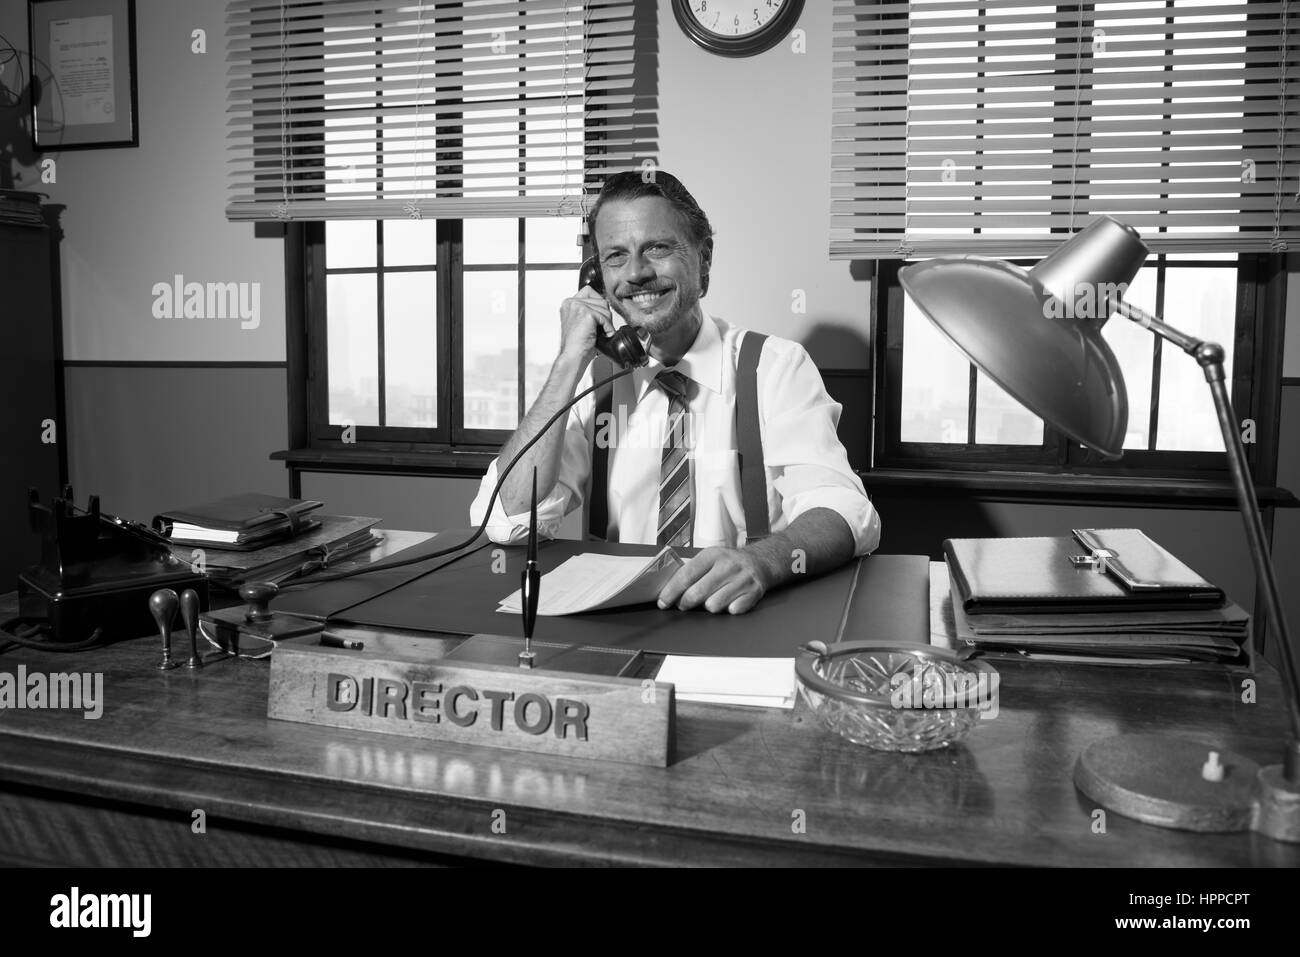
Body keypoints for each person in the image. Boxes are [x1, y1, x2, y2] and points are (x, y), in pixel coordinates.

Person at [470, 170, 880, 615]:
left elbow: (843, 509)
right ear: (596, 278)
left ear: (703, 261)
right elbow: (508, 522)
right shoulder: (589, 381)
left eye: (658, 248)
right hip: (616, 623)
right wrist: (569, 360)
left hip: (739, 616)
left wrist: (763, 562)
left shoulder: (775, 367)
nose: (637, 273)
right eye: (615, 256)